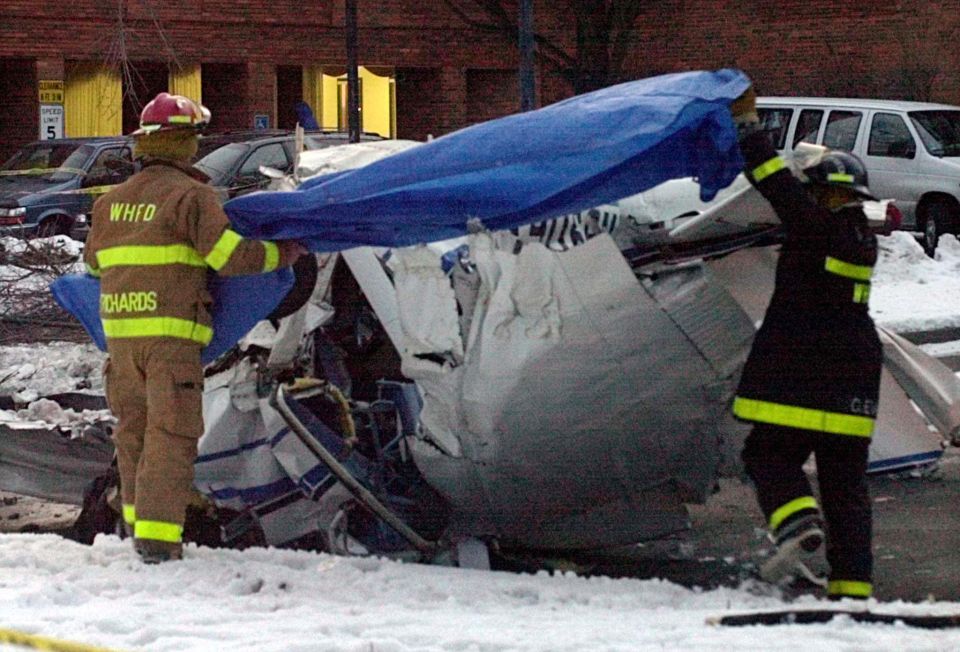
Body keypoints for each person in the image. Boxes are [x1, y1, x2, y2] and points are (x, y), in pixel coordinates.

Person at [83, 93, 306, 563]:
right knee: (172, 435)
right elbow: (229, 257)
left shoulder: (109, 204)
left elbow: (95, 265)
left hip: (120, 342)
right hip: (171, 342)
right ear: (184, 142)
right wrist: (282, 255)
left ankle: (133, 526)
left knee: (133, 434)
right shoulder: (192, 195)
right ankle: (159, 542)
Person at [729, 87, 883, 600]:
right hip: (853, 378)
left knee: (767, 457)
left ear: (820, 192)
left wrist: (749, 125)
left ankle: (796, 526)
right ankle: (852, 589)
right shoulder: (862, 237)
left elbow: (772, 181)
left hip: (802, 369)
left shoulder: (815, 225)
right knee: (846, 489)